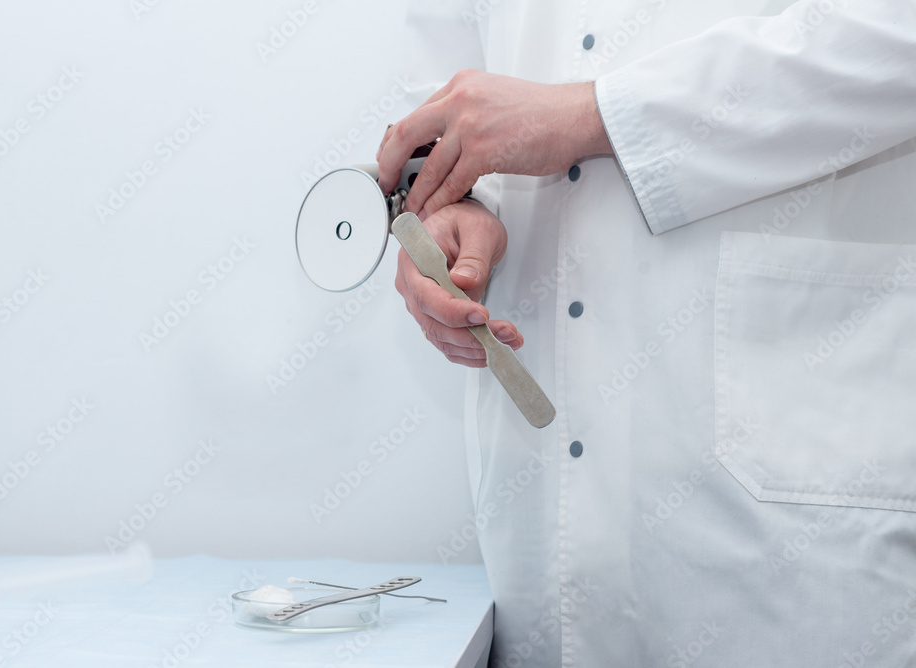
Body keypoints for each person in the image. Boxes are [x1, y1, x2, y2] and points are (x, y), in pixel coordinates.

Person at [378, 1, 916, 666]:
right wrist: (451, 206)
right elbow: (441, 91)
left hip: (799, 446)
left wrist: (594, 114)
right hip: (538, 461)